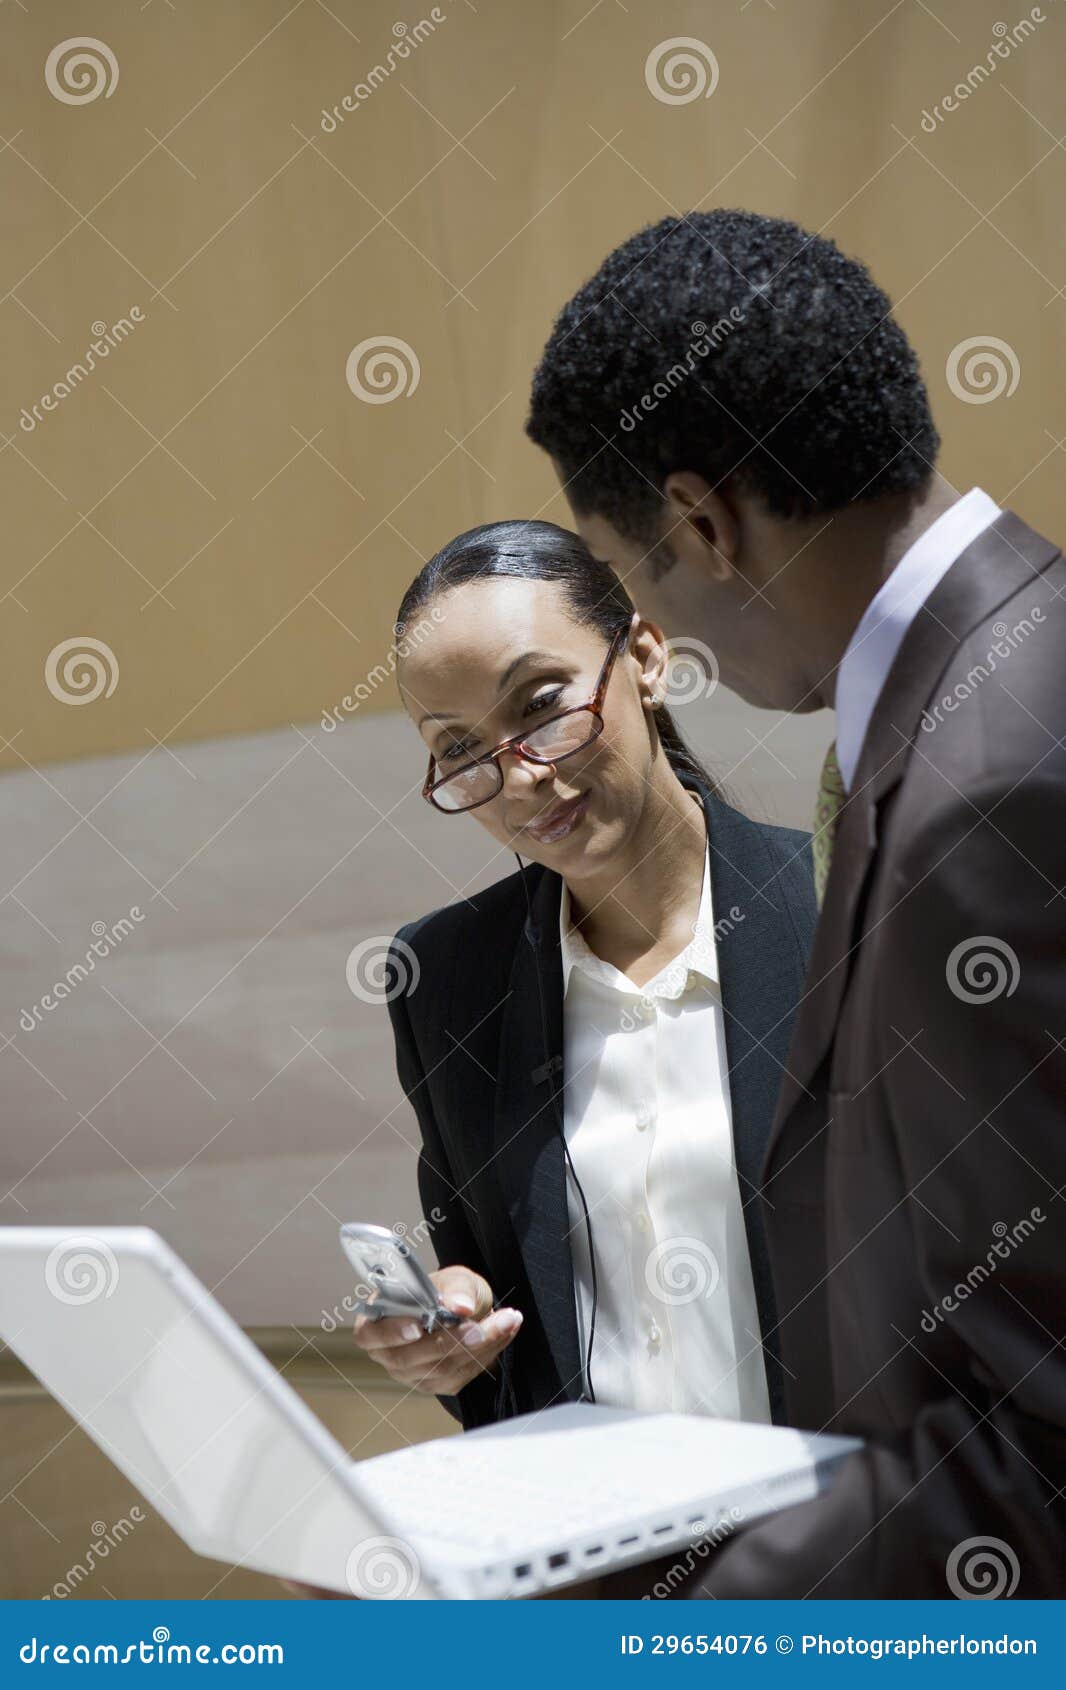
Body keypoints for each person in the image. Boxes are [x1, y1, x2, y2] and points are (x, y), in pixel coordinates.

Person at [523, 207, 1066, 1597]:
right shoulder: (1016, 667)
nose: (671, 640)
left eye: (642, 577)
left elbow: (1031, 1443)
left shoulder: (980, 798)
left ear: (702, 520)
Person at [352, 519, 817, 1434]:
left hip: (855, 1546)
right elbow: (488, 1304)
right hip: (605, 1555)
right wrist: (447, 1332)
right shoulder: (448, 981)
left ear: (644, 656)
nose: (517, 776)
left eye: (538, 705)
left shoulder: (844, 910)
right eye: (458, 748)